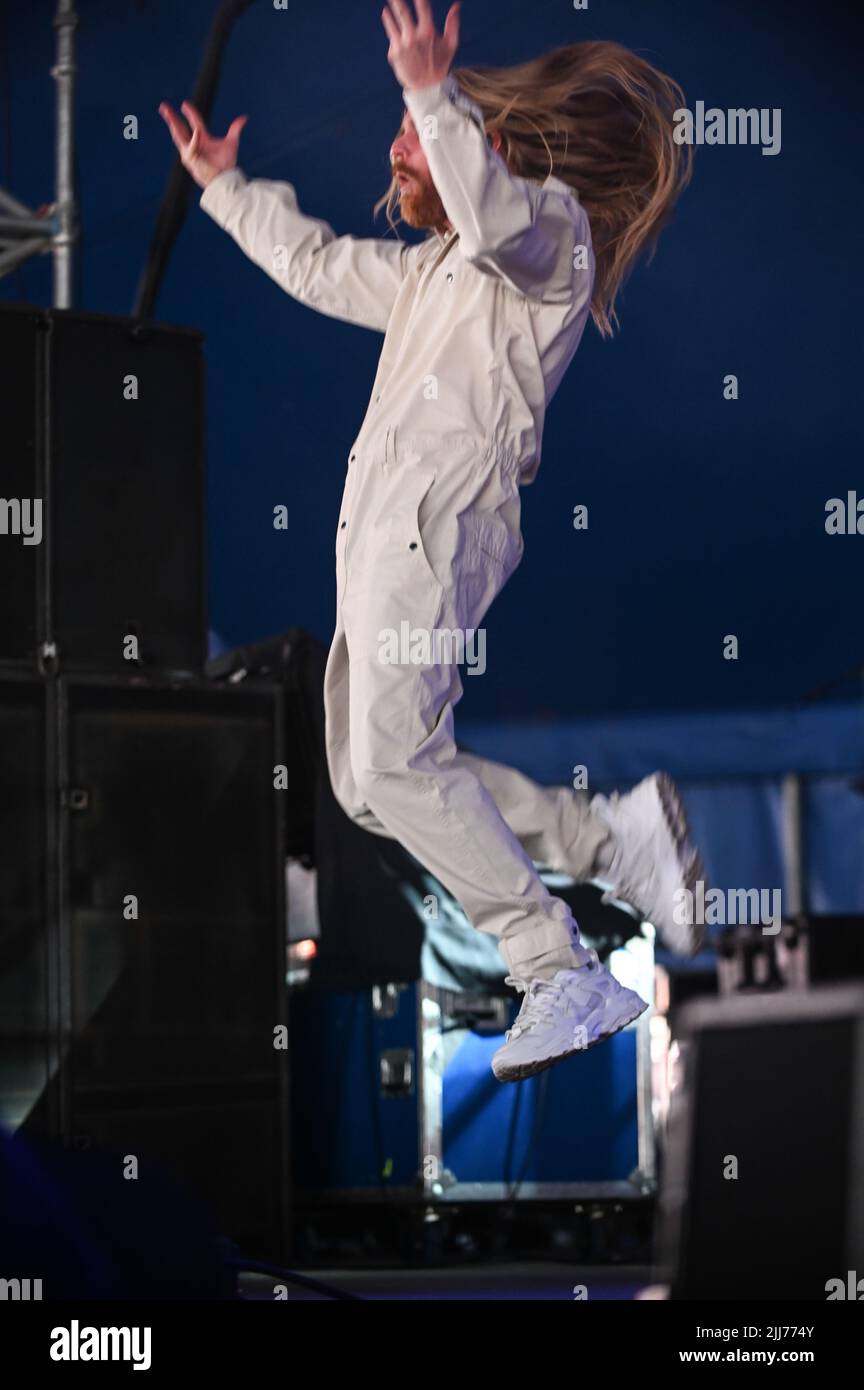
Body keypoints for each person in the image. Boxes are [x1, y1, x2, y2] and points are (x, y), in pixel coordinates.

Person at [160, 0, 702, 1083]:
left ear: (482, 140)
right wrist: (224, 190)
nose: (398, 145)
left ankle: (557, 965)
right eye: (407, 131)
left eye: (415, 132)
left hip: (437, 524)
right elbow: (316, 264)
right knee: (368, 778)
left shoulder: (548, 240)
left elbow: (498, 216)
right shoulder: (428, 277)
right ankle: (606, 838)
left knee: (399, 762)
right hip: (383, 539)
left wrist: (429, 93)